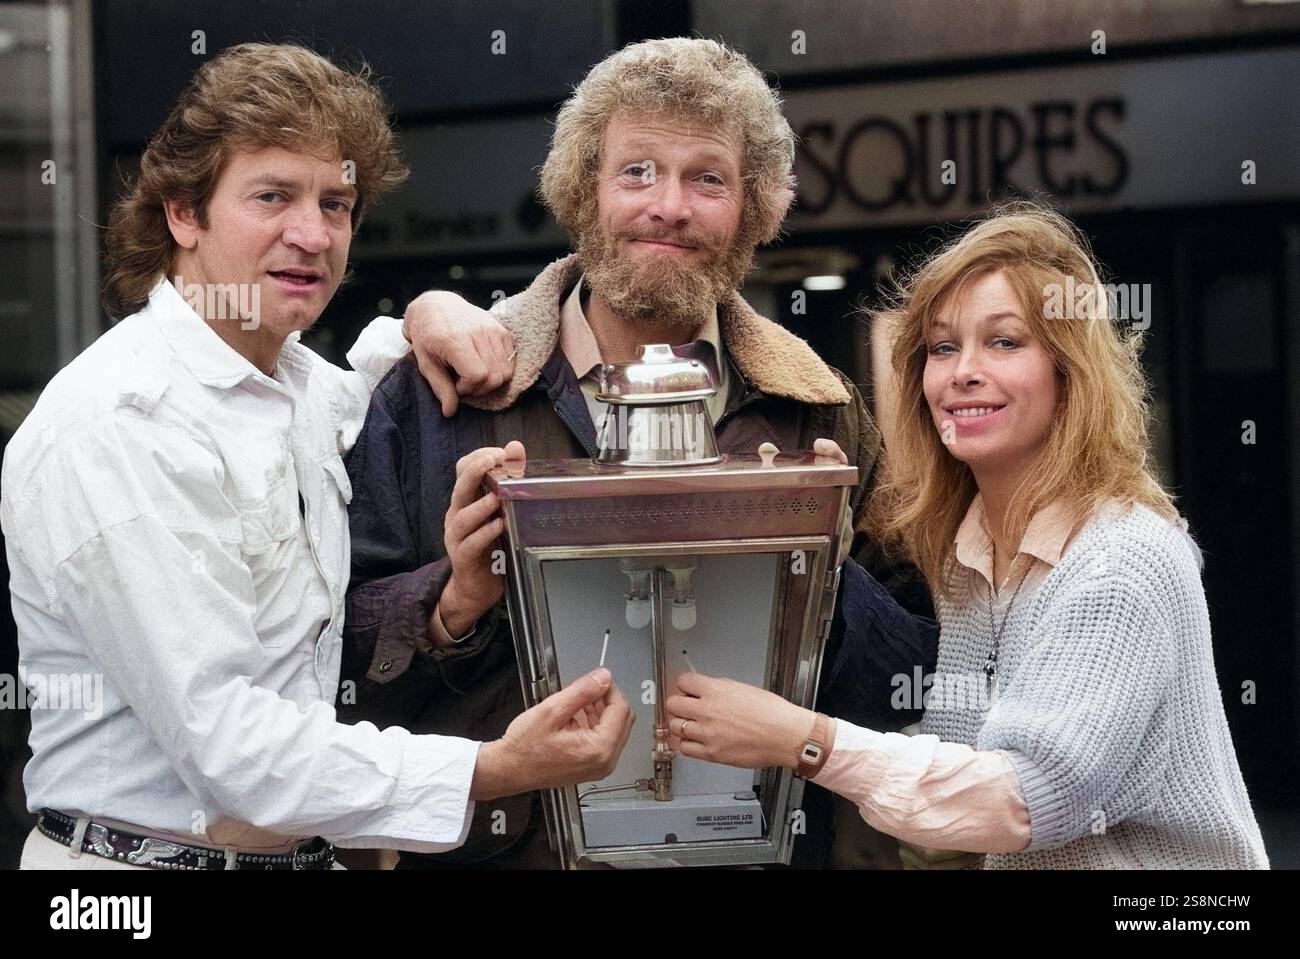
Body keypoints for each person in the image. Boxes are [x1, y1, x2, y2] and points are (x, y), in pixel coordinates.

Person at [1, 42, 632, 872]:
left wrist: (426, 313)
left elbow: (359, 378)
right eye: (272, 195)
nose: (312, 233)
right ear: (182, 214)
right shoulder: (119, 422)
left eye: (336, 202)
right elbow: (232, 749)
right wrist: (495, 768)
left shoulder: (301, 386)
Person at [339, 37, 936, 868]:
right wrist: (449, 604)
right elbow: (329, 667)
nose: (670, 207)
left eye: (708, 178)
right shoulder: (439, 396)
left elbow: (915, 688)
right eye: (638, 172)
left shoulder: (821, 412)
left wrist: (815, 571)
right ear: (583, 190)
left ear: (756, 207)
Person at [662, 202, 1270, 869]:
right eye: (943, 346)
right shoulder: (967, 555)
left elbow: (1023, 796)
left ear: (1070, 372)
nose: (963, 371)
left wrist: (803, 741)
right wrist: (807, 533)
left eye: (1004, 341)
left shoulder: (1120, 561)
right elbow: (956, 790)